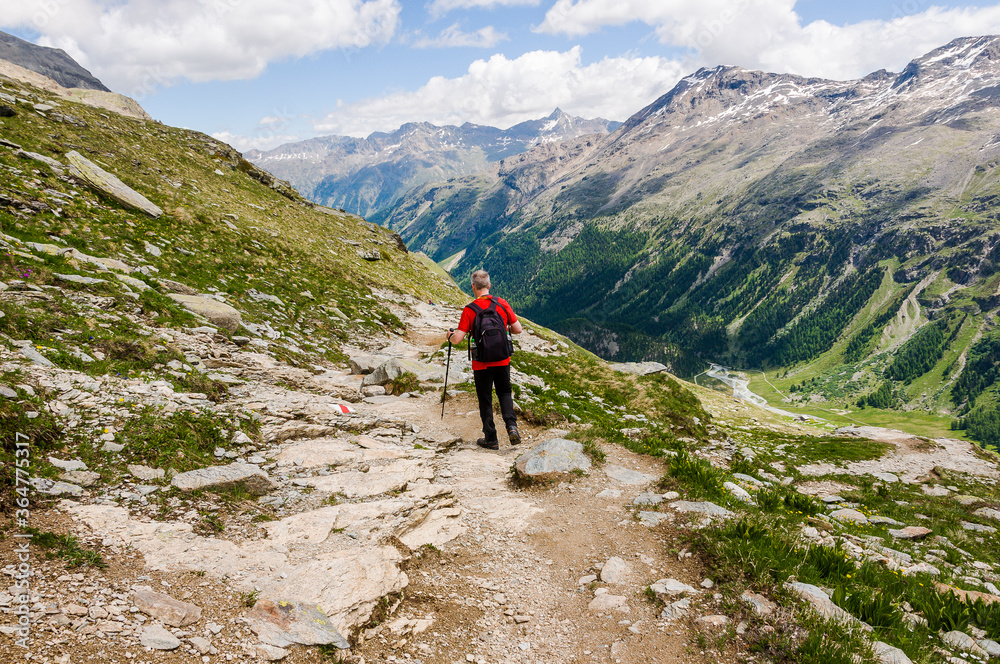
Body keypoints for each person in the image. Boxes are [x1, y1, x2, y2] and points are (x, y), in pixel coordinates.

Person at [447, 270, 523, 450]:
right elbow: (518, 329)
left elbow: (457, 339)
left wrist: (449, 336)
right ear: (489, 286)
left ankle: (491, 438)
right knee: (504, 392)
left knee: (485, 398)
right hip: (502, 359)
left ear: (473, 287)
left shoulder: (469, 310)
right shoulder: (501, 303)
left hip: (480, 361)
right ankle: (512, 427)